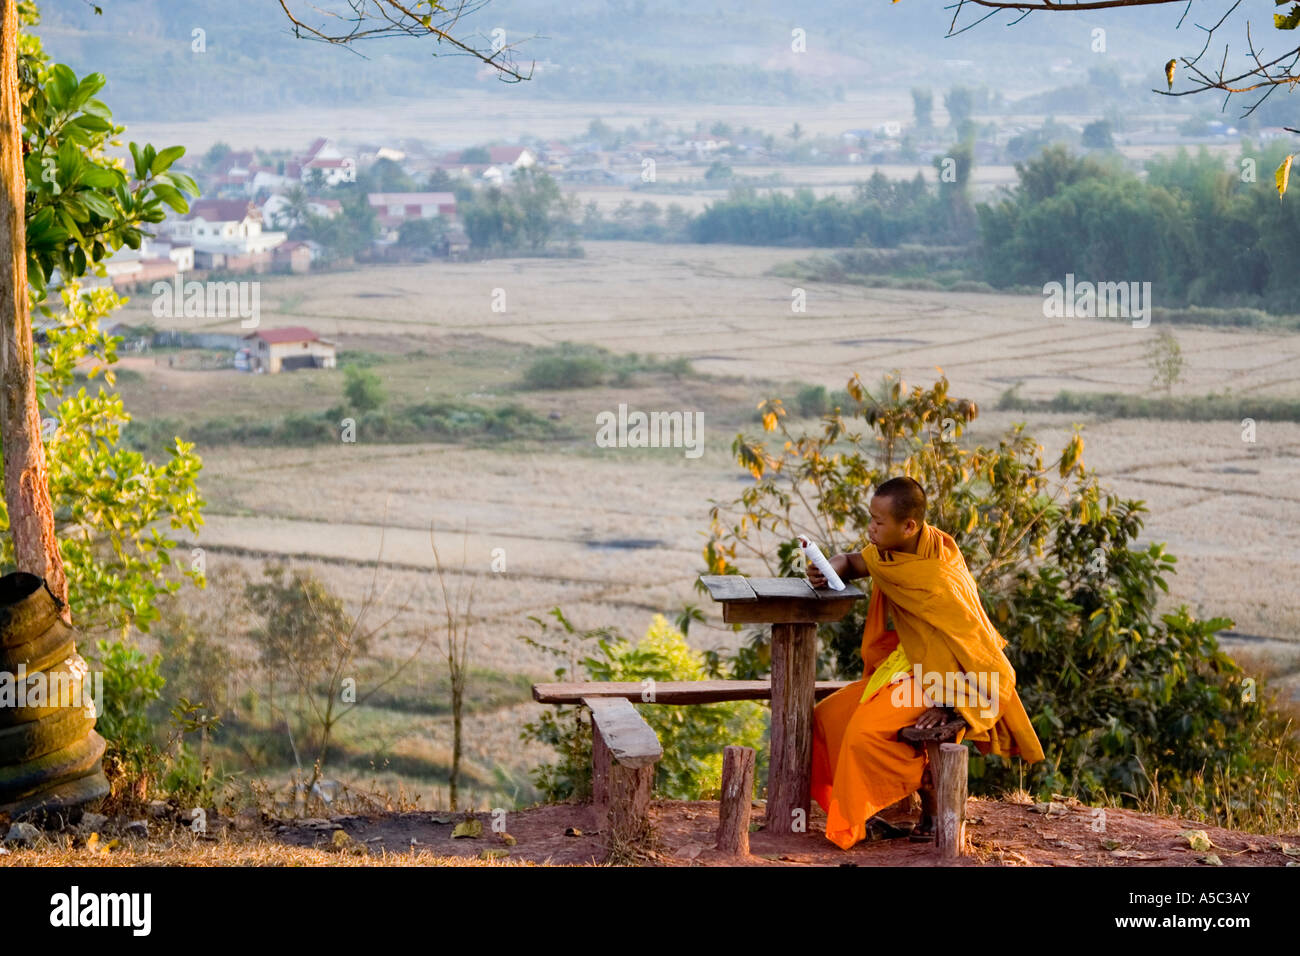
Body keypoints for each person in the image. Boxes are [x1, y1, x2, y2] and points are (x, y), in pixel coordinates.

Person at [805, 476, 1045, 850]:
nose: (871, 528)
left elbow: (977, 650)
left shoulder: (939, 577)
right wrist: (828, 568)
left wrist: (949, 704)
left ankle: (873, 817)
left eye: (878, 522)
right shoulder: (895, 552)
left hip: (947, 682)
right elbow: (853, 562)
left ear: (909, 526)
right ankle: (865, 810)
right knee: (827, 717)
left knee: (862, 733)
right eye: (870, 518)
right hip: (909, 666)